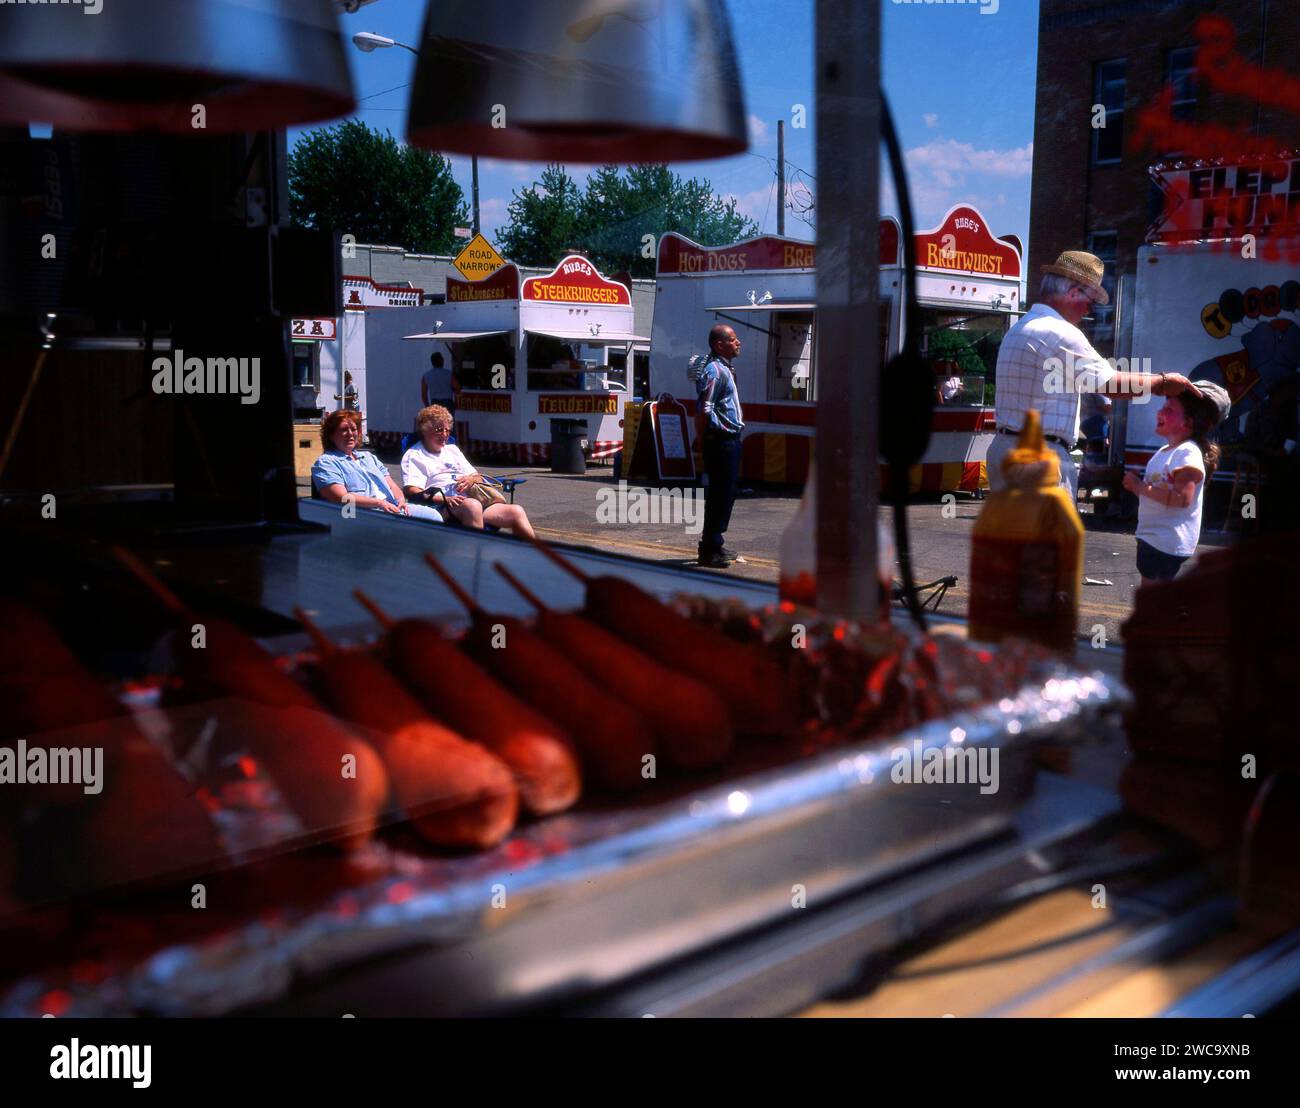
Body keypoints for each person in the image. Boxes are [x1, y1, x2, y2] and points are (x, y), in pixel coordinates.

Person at [989, 250, 1201, 500]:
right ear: (1073, 291)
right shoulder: (1059, 332)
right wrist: (1162, 383)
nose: (1089, 308)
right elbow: (1110, 384)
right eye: (1089, 298)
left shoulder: (1020, 329)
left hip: (1006, 450)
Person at [1122, 380, 1229, 584]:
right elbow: (1158, 493)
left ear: (1188, 422)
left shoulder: (1187, 452)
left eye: (1169, 408)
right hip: (1156, 537)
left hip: (1165, 541)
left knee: (1153, 601)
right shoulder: (1167, 452)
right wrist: (1137, 487)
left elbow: (1182, 498)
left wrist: (1140, 487)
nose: (1159, 411)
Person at [401, 404, 535, 538]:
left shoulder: (452, 450)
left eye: (447, 430)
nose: (445, 435)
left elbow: (477, 476)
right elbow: (412, 490)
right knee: (472, 506)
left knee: (516, 511)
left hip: (472, 499)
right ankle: (476, 556)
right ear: (425, 430)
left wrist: (471, 480)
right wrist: (445, 499)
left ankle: (536, 555)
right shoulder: (415, 455)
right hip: (442, 507)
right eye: (439, 430)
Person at [312, 409, 442, 522]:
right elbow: (341, 498)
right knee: (404, 526)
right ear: (331, 435)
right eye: (344, 430)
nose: (351, 434)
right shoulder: (326, 462)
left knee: (433, 516)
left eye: (353, 429)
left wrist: (401, 500)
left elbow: (392, 485)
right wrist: (379, 503)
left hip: (391, 507)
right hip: (362, 514)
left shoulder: (368, 457)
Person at [694, 323, 744, 568]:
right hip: (720, 440)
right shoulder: (715, 371)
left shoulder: (725, 369)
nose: (738, 342)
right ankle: (709, 550)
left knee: (726, 494)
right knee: (719, 494)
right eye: (733, 339)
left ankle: (715, 542)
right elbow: (704, 409)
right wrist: (704, 441)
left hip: (730, 440)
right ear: (718, 344)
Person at [421, 351, 455, 416]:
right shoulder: (449, 374)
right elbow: (458, 388)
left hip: (435, 403)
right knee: (448, 425)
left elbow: (424, 395)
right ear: (442, 361)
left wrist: (427, 407)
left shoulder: (426, 376)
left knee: (436, 425)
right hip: (447, 403)